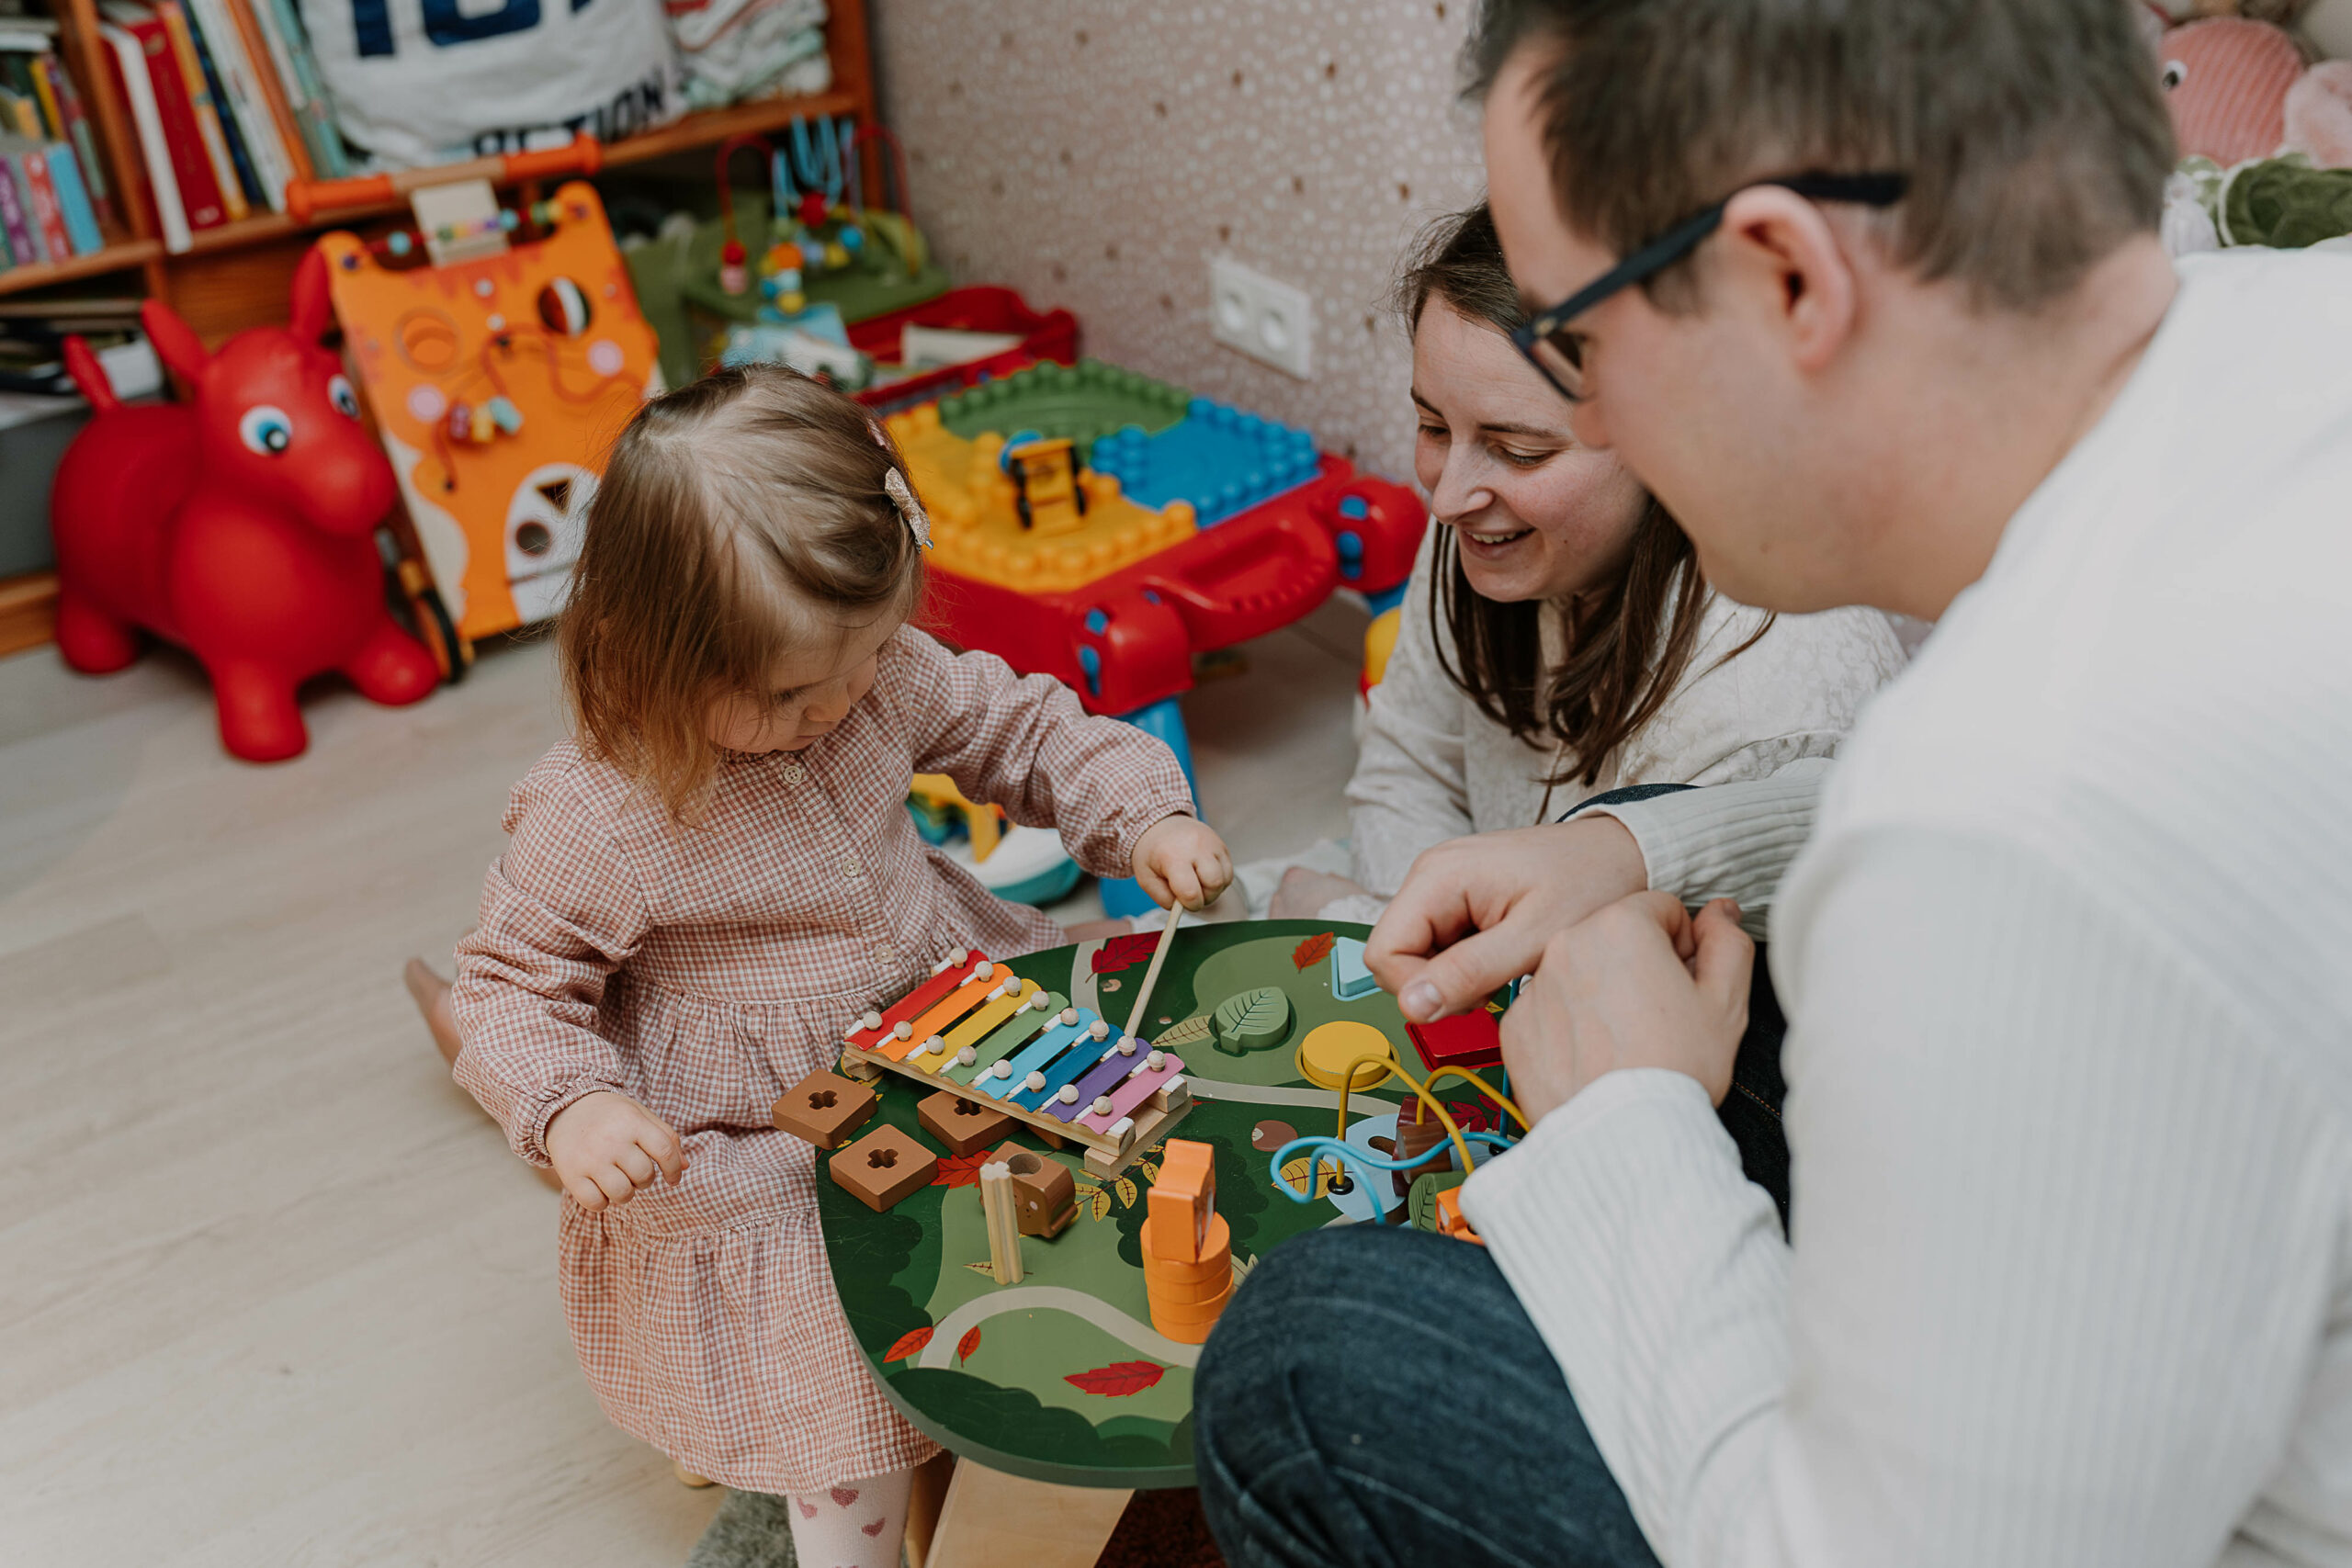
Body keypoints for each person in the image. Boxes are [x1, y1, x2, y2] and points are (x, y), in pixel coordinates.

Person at [1194, 2, 2352, 1566]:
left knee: (1305, 1353)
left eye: (1583, 342)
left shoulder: (2011, 818)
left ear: (1789, 280)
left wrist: (1625, 1125)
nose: (1590, 421)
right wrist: (1635, 847)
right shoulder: (2288, 326)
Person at [447, 366, 1231, 1568]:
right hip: (765, 1131)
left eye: (862, 659)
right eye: (789, 691)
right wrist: (572, 1106)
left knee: (1106, 1177)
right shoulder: (598, 811)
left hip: (950, 1009)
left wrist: (1141, 816)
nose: (841, 704)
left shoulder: (874, 676)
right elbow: (508, 984)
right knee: (837, 1391)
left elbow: (1018, 726)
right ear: (649, 659)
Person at [1268, 202, 1903, 930]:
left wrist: (1364, 919)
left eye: (1519, 451)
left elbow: (1631, 984)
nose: (1445, 500)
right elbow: (1405, 766)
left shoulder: (1764, 703)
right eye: (1434, 426)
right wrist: (1402, 918)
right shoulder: (1485, 520)